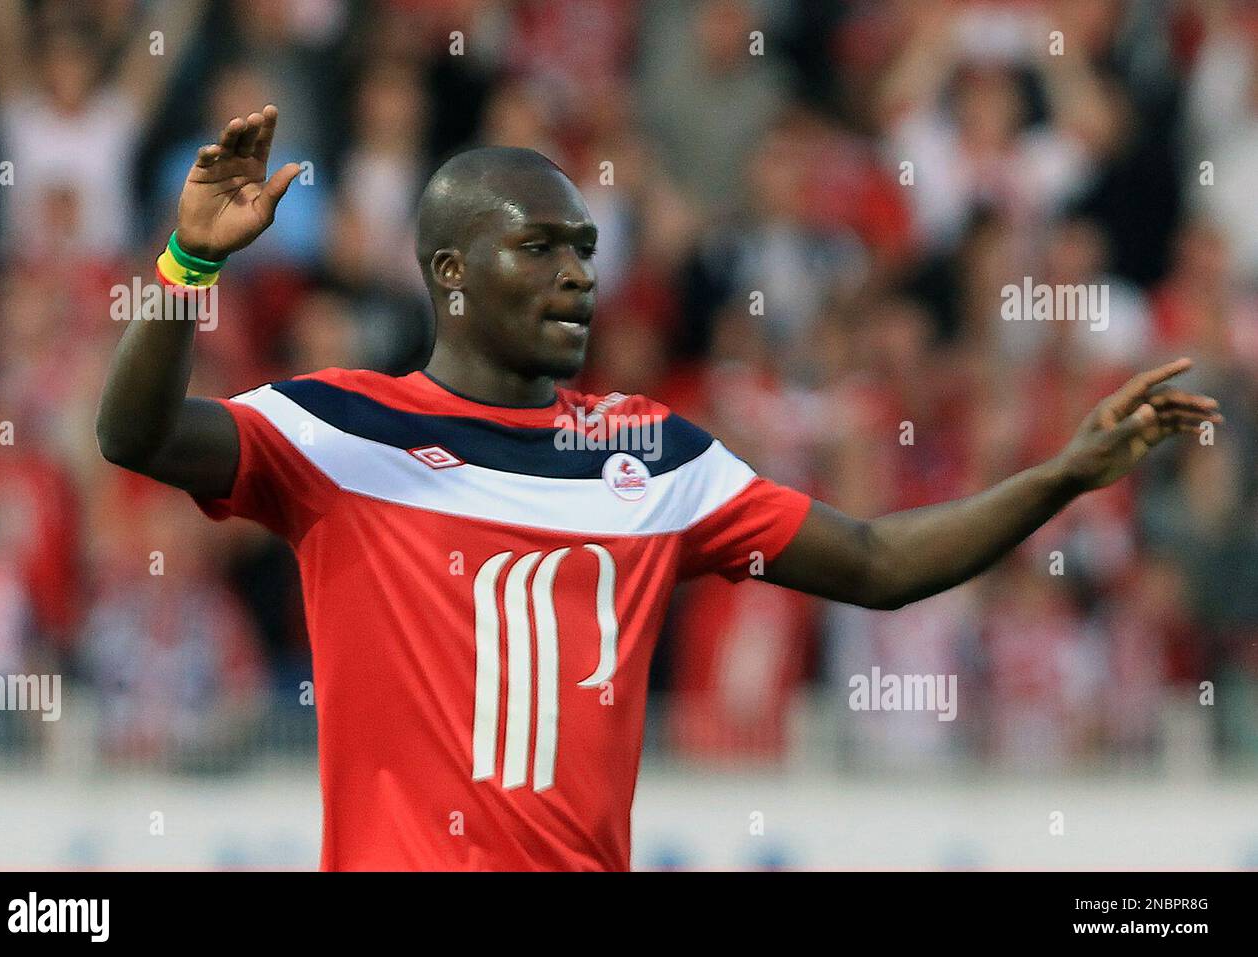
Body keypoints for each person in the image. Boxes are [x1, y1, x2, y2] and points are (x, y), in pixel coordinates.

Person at [96, 106, 1223, 871]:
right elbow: (135, 432)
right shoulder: (339, 428)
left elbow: (878, 565)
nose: (578, 271)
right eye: (538, 247)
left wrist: (1063, 474)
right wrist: (188, 264)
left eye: (584, 246)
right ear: (448, 273)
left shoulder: (652, 459)